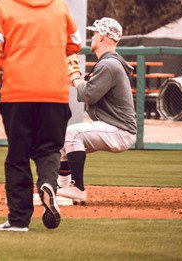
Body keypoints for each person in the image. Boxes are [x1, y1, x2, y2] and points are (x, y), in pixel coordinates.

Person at [0, 0, 82, 232]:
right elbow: (76, 43)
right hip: (55, 92)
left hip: (19, 93)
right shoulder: (58, 6)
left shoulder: (3, 8)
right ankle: (48, 184)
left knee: (18, 156)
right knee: (49, 148)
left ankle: (18, 221)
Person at [58, 17, 137, 204]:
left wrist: (76, 78)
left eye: (94, 33)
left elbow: (89, 95)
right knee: (63, 140)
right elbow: (91, 91)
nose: (92, 36)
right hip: (114, 127)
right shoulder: (109, 62)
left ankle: (77, 189)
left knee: (72, 134)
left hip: (120, 130)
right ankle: (62, 188)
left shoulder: (108, 64)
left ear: (102, 37)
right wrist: (78, 81)